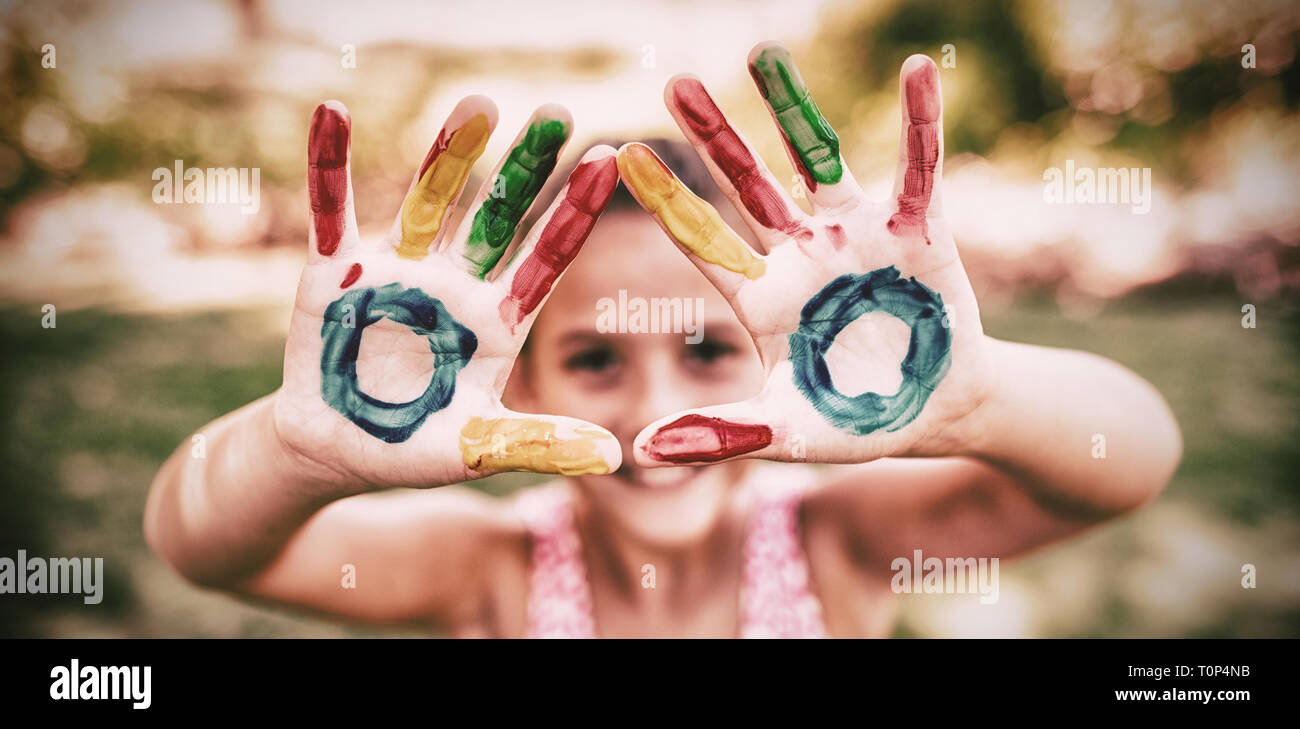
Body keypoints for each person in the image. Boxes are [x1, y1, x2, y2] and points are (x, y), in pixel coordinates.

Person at [144, 44, 1182, 638]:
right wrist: (291, 451)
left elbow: (1129, 458)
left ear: (786, 360)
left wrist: (981, 398)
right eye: (594, 357)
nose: (651, 416)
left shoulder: (837, 545)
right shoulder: (490, 571)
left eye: (706, 349)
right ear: (525, 378)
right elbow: (203, 546)